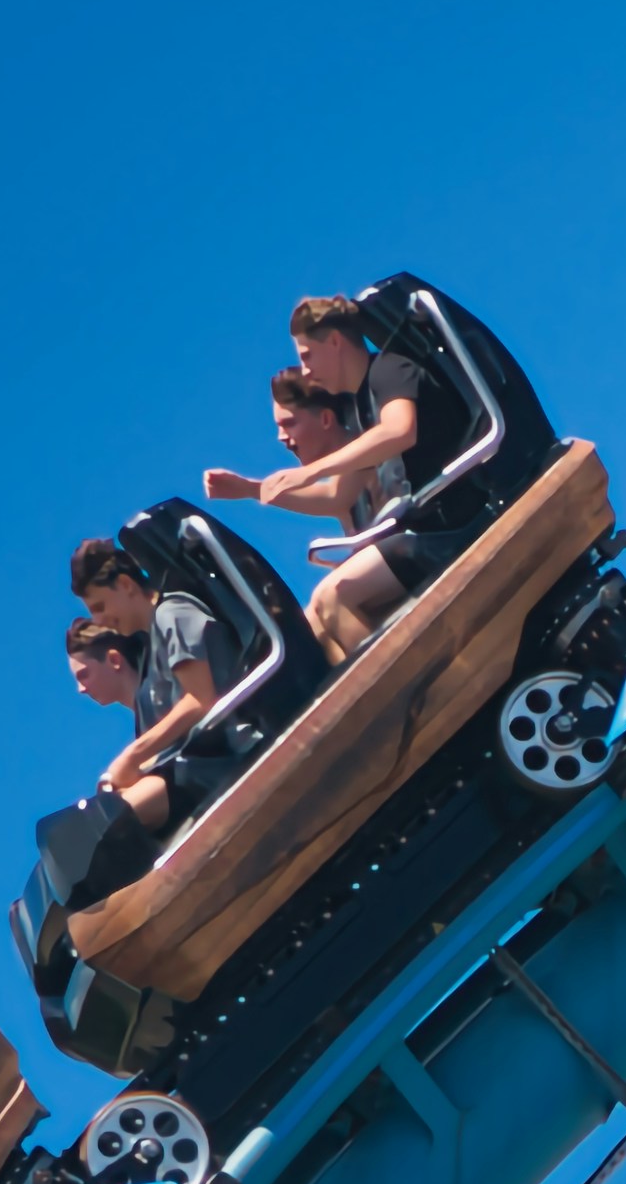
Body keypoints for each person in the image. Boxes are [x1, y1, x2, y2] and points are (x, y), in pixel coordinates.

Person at [203, 293, 440, 656]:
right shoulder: (364, 408)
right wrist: (253, 489)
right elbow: (338, 498)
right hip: (413, 530)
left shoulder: (390, 369)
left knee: (333, 596)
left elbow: (400, 430)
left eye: (307, 355)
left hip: (438, 524)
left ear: (334, 341)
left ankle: (410, 688)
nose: (307, 369)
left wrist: (312, 472)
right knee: (309, 626)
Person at [66, 533, 240, 844]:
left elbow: (200, 700)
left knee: (109, 832)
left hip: (221, 757)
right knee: (98, 829)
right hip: (192, 767)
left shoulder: (173, 613)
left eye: (101, 606)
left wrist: (132, 757)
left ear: (126, 585)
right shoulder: (152, 649)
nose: (100, 620)